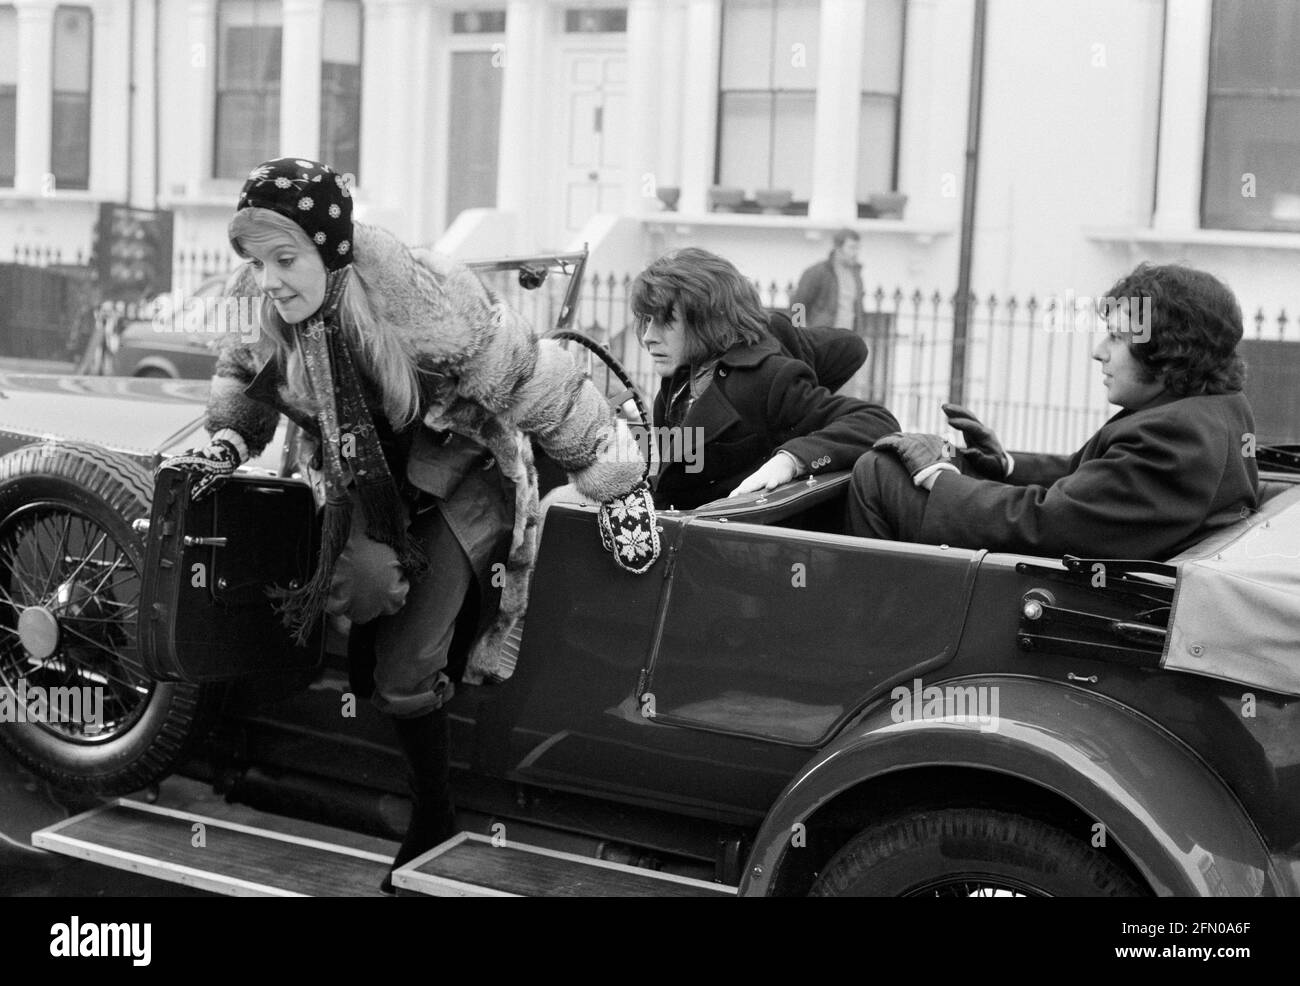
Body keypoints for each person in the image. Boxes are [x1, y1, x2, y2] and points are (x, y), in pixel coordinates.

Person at [158, 157, 656, 891]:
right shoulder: (264, 298)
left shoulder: (420, 296)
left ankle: (433, 817)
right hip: (370, 480)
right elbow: (241, 373)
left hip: (459, 473)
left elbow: (530, 377)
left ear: (330, 249)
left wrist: (614, 480)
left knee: (400, 673)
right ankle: (398, 631)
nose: (268, 279)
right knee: (362, 590)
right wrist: (233, 437)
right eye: (257, 261)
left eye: (285, 259)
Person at [845, 262, 1260, 560]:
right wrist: (1005, 465)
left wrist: (939, 479)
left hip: (1071, 613)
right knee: (899, 469)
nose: (1099, 352)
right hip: (1102, 588)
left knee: (880, 472)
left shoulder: (1174, 434)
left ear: (1168, 351)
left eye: (1116, 338)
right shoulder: (1214, 410)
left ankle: (871, 632)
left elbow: (1047, 524)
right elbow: (1091, 486)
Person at [631, 247, 899, 511]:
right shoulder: (677, 382)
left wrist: (791, 459)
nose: (648, 337)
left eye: (665, 322)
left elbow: (876, 421)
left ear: (708, 319)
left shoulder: (765, 378)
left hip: (744, 538)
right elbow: (676, 475)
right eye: (647, 321)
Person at [790, 228, 864, 332]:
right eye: (852, 248)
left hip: (848, 340)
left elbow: (857, 311)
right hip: (821, 339)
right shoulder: (818, 272)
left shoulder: (856, 275)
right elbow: (798, 303)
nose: (856, 252)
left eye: (857, 248)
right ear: (838, 248)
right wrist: (798, 334)